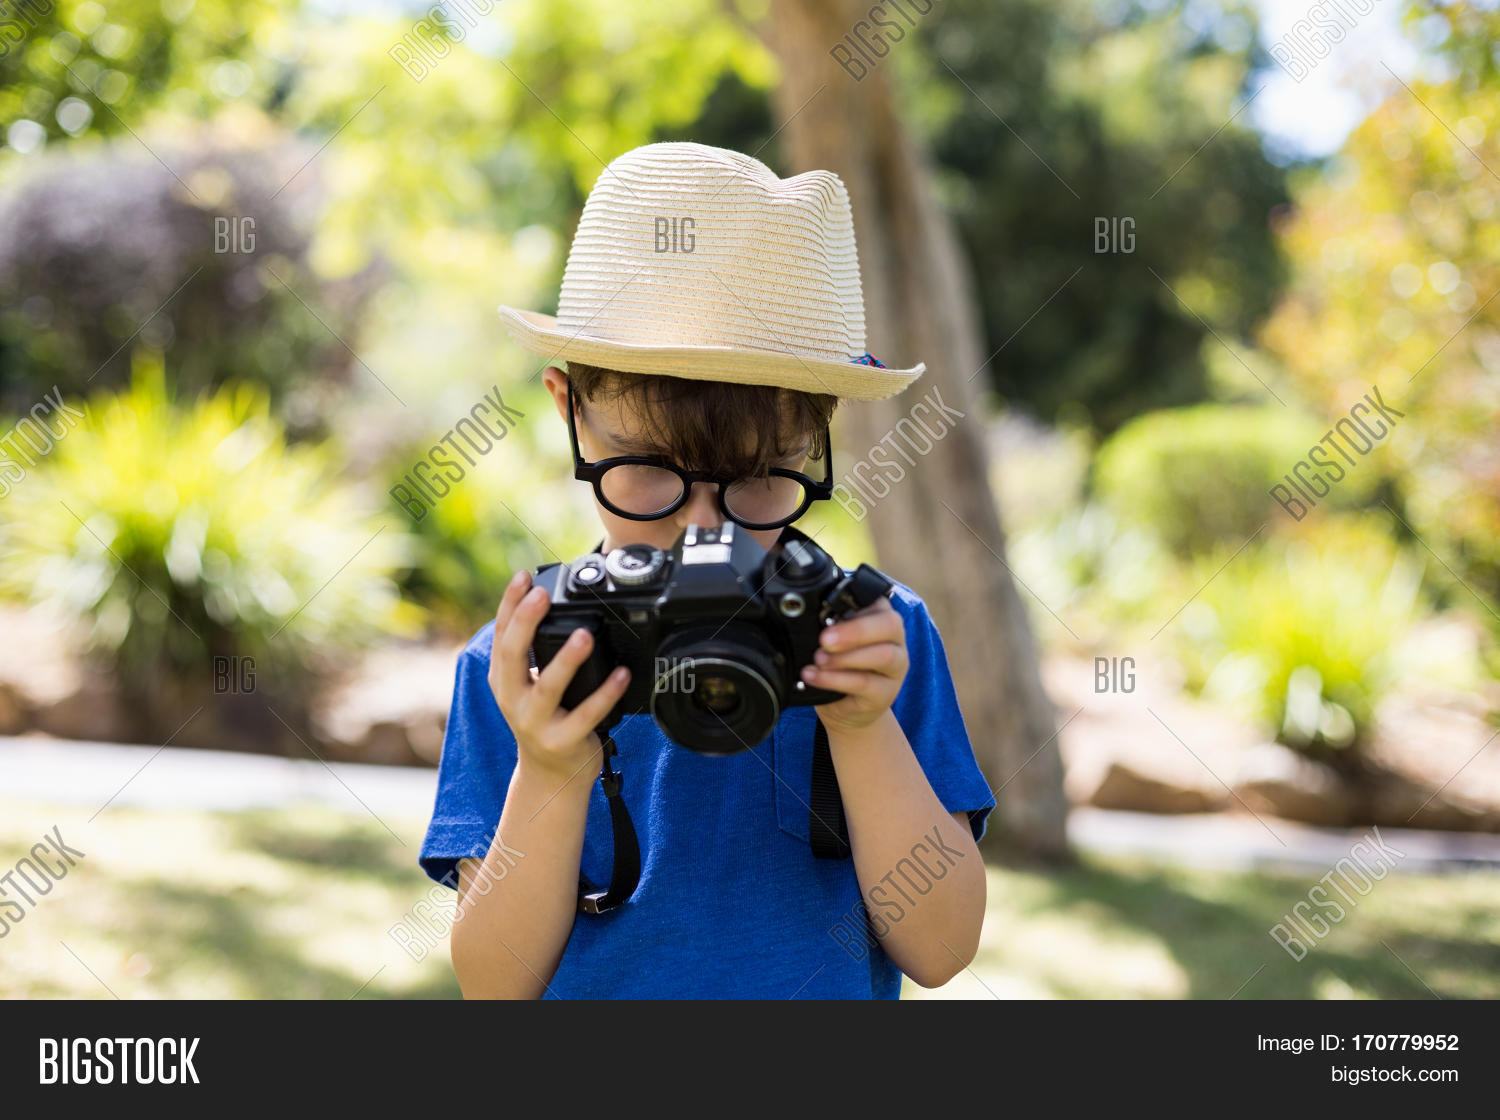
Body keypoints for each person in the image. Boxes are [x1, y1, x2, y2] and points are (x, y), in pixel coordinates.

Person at [418, 142, 995, 999]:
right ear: (569, 410)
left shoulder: (871, 641)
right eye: (648, 471)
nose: (703, 528)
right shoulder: (535, 659)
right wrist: (551, 768)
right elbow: (495, 986)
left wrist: (863, 729)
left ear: (818, 439)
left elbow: (942, 949)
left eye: (761, 478)